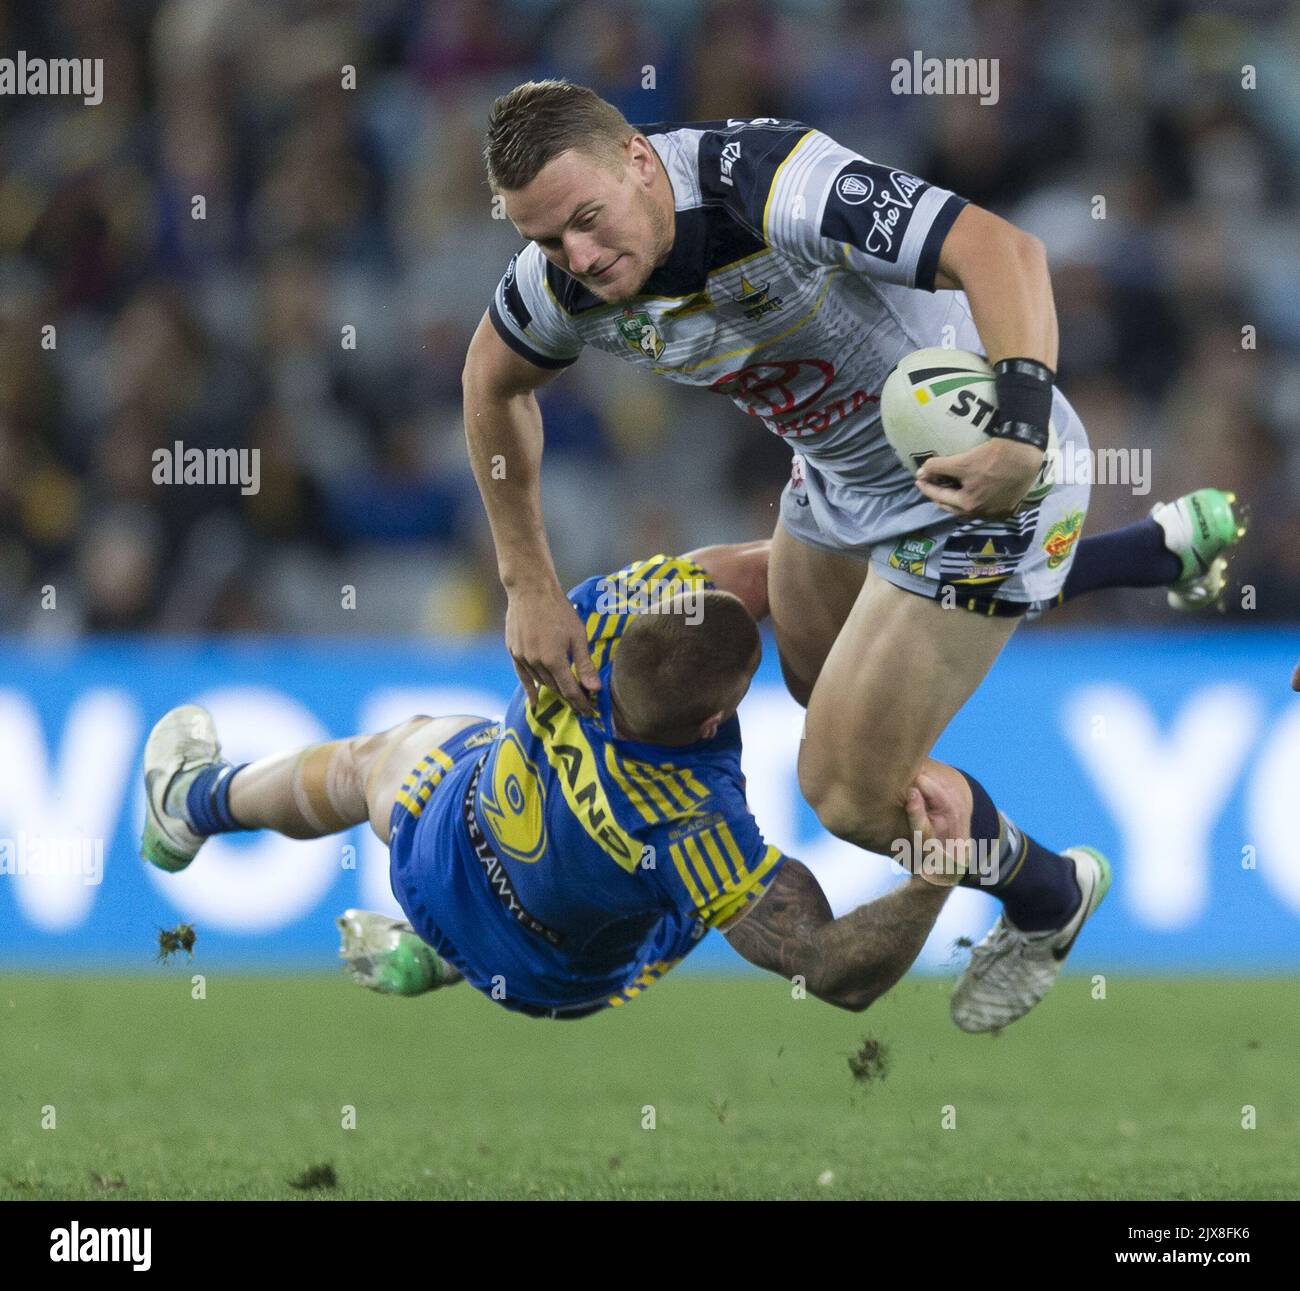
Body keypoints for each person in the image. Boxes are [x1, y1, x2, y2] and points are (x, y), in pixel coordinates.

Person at [461, 80, 1246, 1032]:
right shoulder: (562, 282)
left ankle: (1048, 895)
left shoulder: (772, 186)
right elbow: (491, 384)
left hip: (982, 481)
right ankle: (1144, 553)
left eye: (586, 221)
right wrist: (526, 584)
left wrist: (1021, 431)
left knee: (848, 791)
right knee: (812, 679)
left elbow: (1003, 250)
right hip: (838, 480)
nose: (577, 258)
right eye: (547, 240)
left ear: (637, 158)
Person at [142, 542, 984, 1019]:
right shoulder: (698, 823)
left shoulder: (600, 611)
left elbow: (757, 570)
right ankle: (442, 958)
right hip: (558, 977)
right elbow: (832, 970)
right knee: (690, 896)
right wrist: (930, 884)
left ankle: (189, 803)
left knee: (377, 759)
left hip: (449, 854)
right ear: (709, 725)